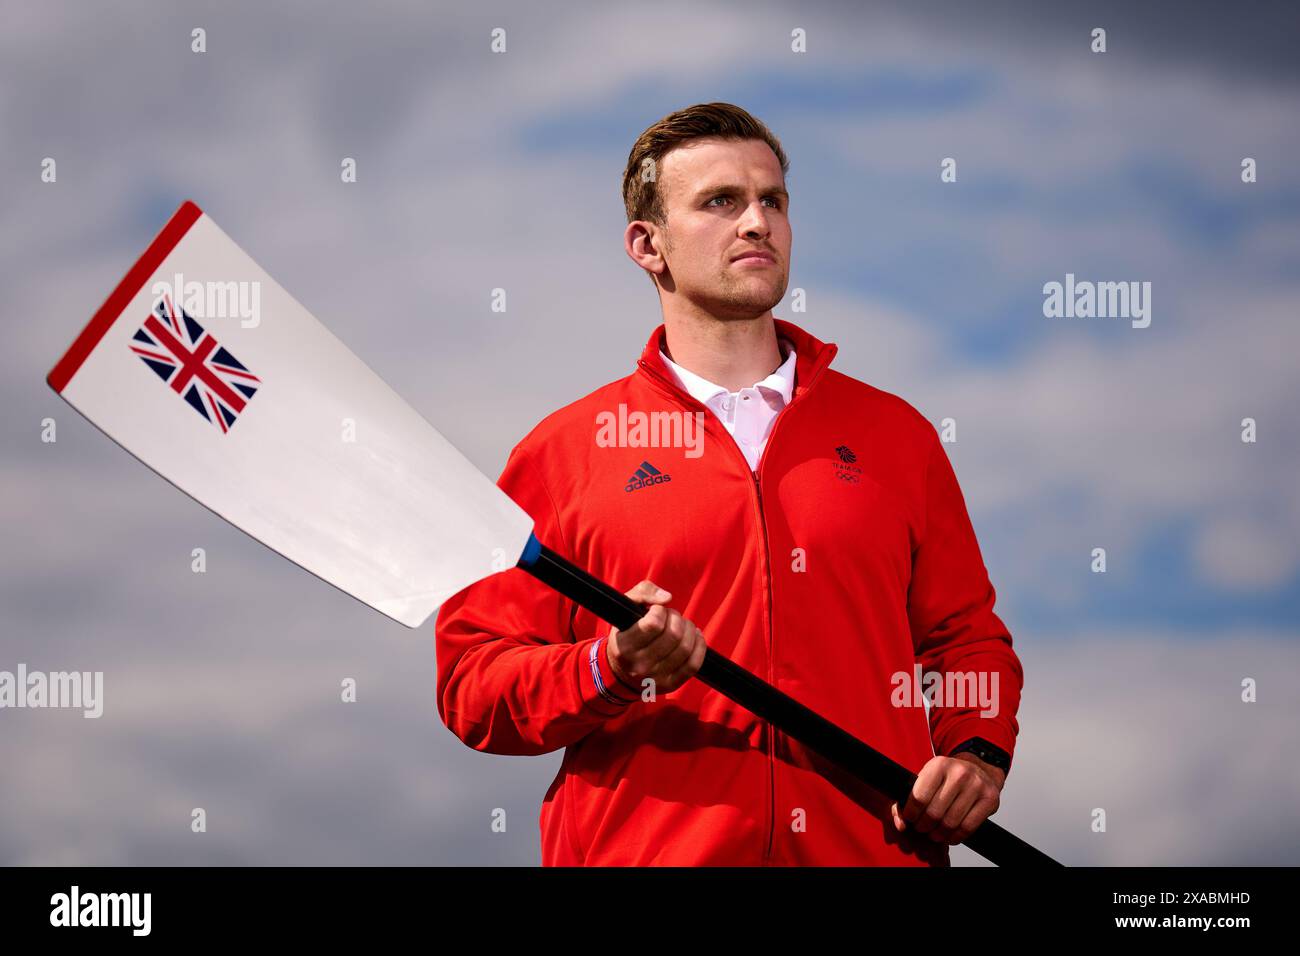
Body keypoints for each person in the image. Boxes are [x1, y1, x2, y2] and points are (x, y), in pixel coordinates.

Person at [435, 102, 1023, 866]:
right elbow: (473, 683)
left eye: (771, 201)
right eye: (721, 202)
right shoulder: (563, 453)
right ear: (649, 245)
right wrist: (606, 667)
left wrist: (975, 755)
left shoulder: (896, 437)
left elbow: (964, 636)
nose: (757, 223)